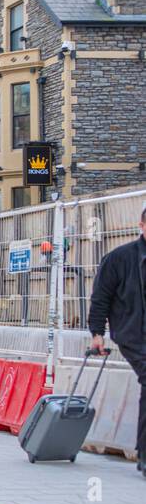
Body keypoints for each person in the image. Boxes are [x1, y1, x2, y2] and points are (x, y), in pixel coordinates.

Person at [88, 204, 146, 476]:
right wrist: (97, 333)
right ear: (142, 226)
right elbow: (101, 297)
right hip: (134, 334)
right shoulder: (119, 259)